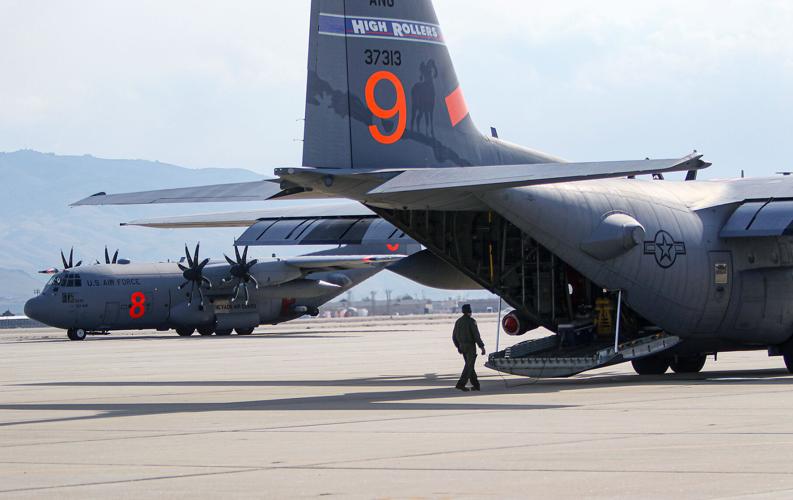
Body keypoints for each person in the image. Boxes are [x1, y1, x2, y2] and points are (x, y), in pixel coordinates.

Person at [452, 304, 486, 391]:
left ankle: (476, 385)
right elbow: (476, 336)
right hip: (470, 346)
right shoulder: (471, 321)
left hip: (462, 346)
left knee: (470, 365)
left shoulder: (458, 322)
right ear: (469, 311)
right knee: (469, 366)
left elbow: (454, 336)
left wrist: (458, 346)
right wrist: (481, 347)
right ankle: (461, 384)